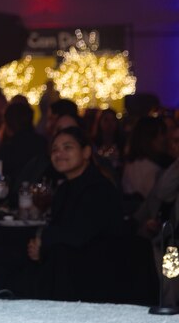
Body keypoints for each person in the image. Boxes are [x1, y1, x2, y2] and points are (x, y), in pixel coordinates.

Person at [26, 127, 123, 300]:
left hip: (96, 276)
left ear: (86, 152)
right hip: (71, 269)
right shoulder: (64, 189)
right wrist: (41, 246)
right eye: (55, 149)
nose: (59, 154)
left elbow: (79, 235)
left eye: (67, 147)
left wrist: (43, 239)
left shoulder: (98, 189)